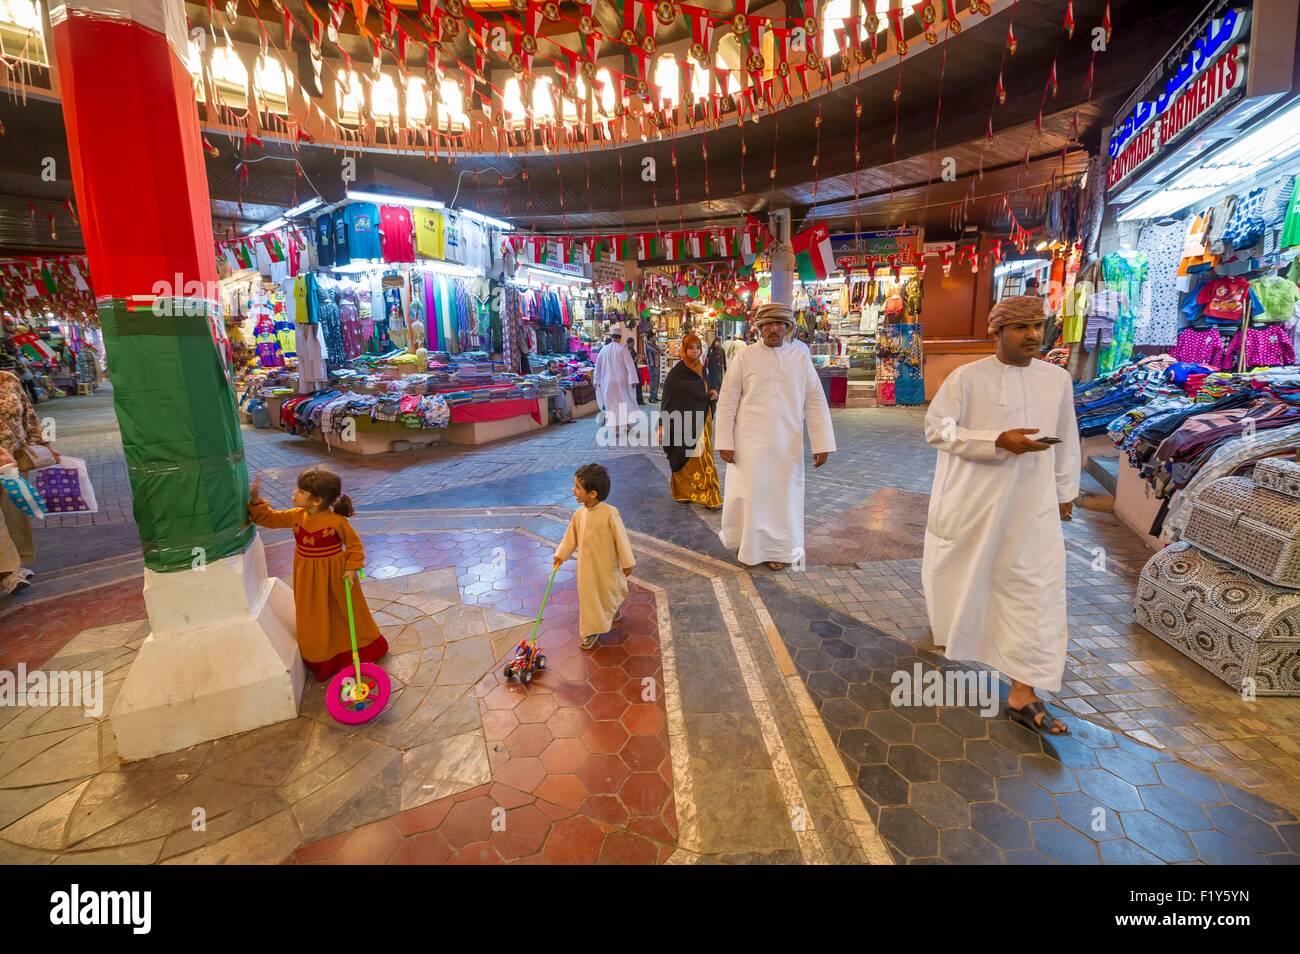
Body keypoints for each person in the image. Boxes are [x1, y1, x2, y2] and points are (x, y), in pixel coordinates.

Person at [921, 295, 1080, 736]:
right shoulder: (967, 379)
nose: (1033, 335)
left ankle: (1023, 693)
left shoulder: (1057, 380)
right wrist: (996, 439)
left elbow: (1068, 434)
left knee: (1035, 590)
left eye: (1038, 326)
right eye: (1021, 328)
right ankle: (955, 634)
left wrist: (1066, 490)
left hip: (1032, 509)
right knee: (967, 583)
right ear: (997, 331)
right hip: (976, 505)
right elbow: (938, 429)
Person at [715, 303, 836, 570]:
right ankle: (750, 548)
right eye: (767, 324)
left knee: (783, 499)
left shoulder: (800, 359)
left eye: (778, 324)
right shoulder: (744, 357)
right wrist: (725, 442)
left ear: (787, 328)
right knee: (752, 496)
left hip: (787, 445)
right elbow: (727, 401)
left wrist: (822, 442)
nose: (773, 329)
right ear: (758, 328)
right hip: (749, 445)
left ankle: (779, 552)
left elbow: (815, 400)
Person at [248, 466, 388, 681]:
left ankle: (358, 650)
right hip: (308, 577)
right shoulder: (296, 516)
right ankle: (322, 656)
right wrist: (256, 500)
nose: (293, 494)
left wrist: (352, 569)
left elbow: (354, 546)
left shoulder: (337, 522)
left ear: (316, 500)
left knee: (341, 612)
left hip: (336, 576)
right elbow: (270, 519)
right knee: (314, 614)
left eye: (300, 492)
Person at [554, 463, 636, 650]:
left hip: (607, 566)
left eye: (577, 487)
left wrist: (627, 562)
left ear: (592, 494)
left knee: (609, 591)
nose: (572, 490)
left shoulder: (610, 514)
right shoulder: (578, 515)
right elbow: (570, 538)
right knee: (589, 598)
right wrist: (561, 555)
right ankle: (590, 630)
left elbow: (621, 539)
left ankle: (611, 609)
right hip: (587, 569)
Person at [0, 367, 59, 590]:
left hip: (13, 460)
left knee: (15, 513)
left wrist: (45, 445)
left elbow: (29, 417)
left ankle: (17, 564)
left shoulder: (8, 380)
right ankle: (9, 571)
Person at [659, 332, 722, 509]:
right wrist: (663, 425)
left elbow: (708, 386)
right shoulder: (676, 374)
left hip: (702, 419)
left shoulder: (702, 368)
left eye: (698, 348)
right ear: (684, 350)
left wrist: (712, 391)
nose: (695, 351)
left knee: (703, 458)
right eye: (691, 348)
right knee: (685, 458)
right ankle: (682, 492)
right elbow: (668, 400)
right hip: (682, 423)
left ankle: (710, 495)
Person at [593, 327, 640, 432]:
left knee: (611, 405)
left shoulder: (603, 350)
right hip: (621, 382)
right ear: (620, 337)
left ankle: (616, 428)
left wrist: (596, 381)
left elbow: (598, 367)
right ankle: (626, 425)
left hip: (607, 383)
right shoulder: (623, 349)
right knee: (625, 403)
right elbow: (630, 365)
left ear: (611, 337)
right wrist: (633, 380)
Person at [545, 359, 574, 424]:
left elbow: (558, 384)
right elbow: (547, 386)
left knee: (561, 393)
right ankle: (559, 413)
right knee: (560, 392)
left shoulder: (556, 373)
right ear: (548, 367)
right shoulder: (544, 374)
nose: (555, 369)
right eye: (553, 367)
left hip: (554, 393)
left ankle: (563, 415)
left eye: (556, 367)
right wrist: (556, 380)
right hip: (547, 395)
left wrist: (560, 386)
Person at [703, 337, 726, 418]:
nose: (717, 343)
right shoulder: (711, 351)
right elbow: (706, 363)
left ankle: (713, 404)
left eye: (718, 342)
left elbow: (724, 363)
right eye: (717, 342)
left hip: (716, 374)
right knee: (714, 390)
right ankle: (712, 406)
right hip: (713, 374)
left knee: (716, 390)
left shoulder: (719, 351)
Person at [643, 333, 661, 403]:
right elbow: (657, 351)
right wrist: (659, 350)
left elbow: (659, 350)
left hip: (657, 365)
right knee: (653, 382)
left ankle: (655, 396)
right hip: (652, 365)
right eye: (654, 337)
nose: (655, 338)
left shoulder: (654, 345)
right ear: (650, 338)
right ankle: (651, 397)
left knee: (657, 381)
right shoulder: (648, 345)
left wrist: (659, 350)